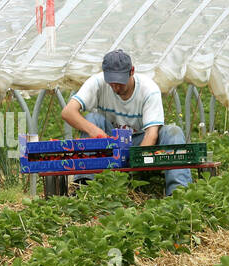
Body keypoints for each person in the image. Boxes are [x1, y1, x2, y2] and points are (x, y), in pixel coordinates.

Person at [61, 50, 193, 196]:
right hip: (110, 141)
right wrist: (94, 131)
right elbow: (68, 112)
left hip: (140, 141)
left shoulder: (149, 90)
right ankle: (84, 187)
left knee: (173, 132)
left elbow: (152, 134)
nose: (116, 87)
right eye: (112, 82)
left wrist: (137, 160)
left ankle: (179, 193)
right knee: (92, 119)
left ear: (132, 71)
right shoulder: (97, 82)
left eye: (120, 82)